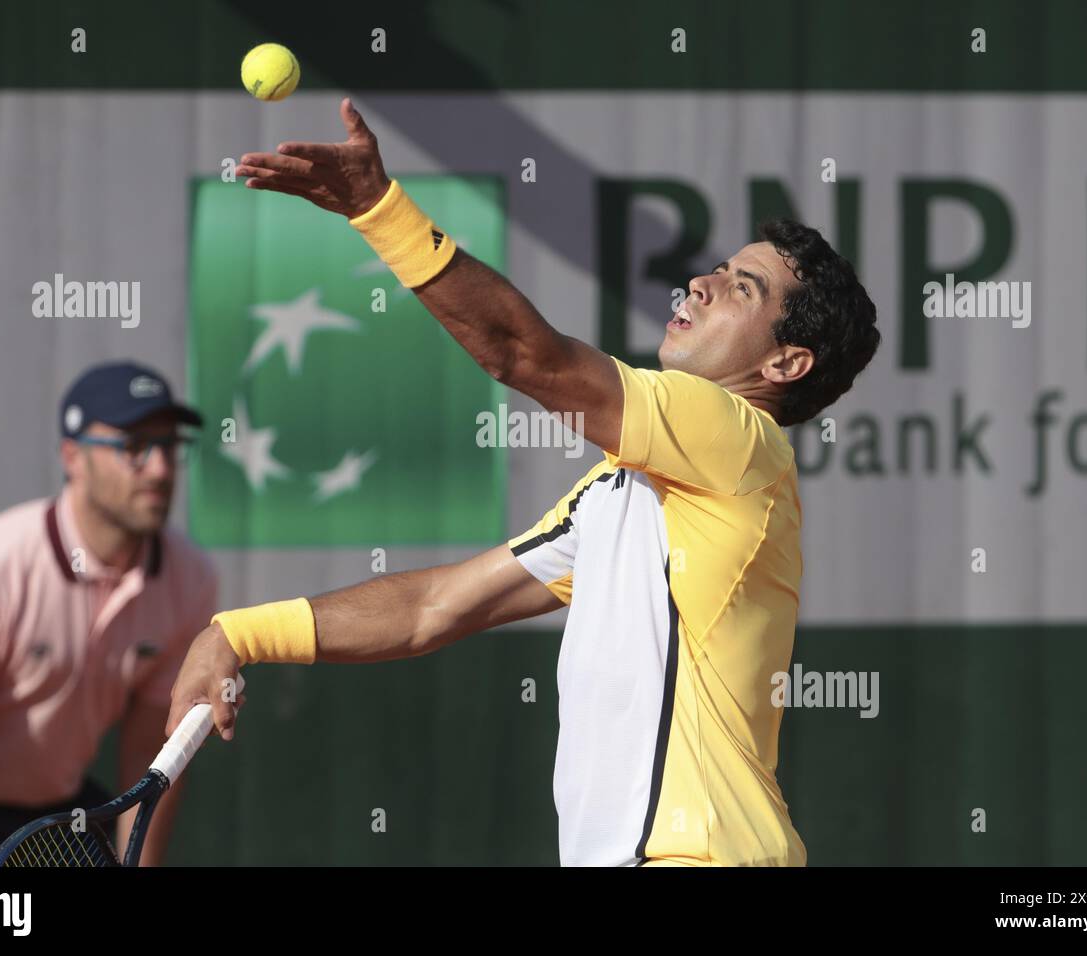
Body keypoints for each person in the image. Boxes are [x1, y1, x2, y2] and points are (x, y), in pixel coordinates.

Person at [168, 98, 880, 866]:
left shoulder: (739, 439)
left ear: (783, 365)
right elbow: (430, 610)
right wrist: (238, 633)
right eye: (719, 268)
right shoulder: (620, 494)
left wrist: (380, 209)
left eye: (744, 288)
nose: (703, 283)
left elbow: (524, 356)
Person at [0, 362, 217, 866]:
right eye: (134, 446)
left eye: (169, 445)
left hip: (49, 811)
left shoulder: (191, 579)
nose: (161, 468)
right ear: (73, 457)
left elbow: (154, 760)